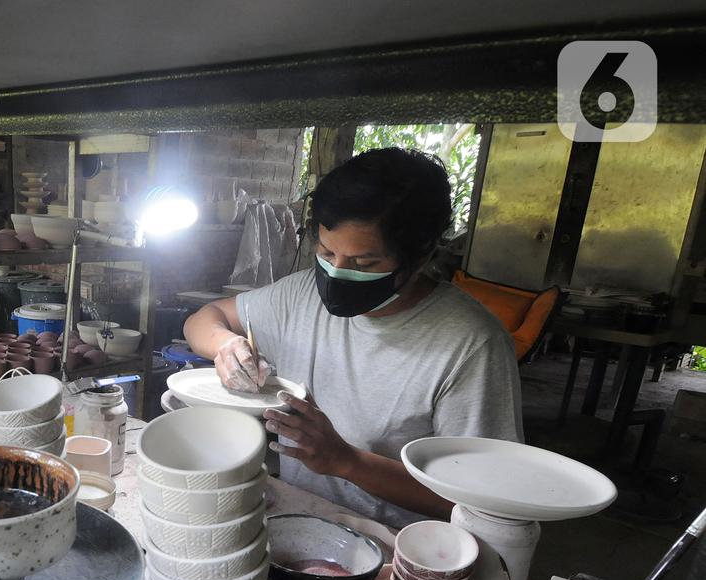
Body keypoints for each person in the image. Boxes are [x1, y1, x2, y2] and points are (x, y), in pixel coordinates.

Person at [183, 148, 522, 529]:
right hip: (303, 517)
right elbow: (203, 319)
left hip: (405, 548)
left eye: (364, 264)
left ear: (421, 256)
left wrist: (346, 461)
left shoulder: (471, 346)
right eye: (327, 252)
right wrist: (225, 345)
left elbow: (489, 504)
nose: (337, 273)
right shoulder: (300, 296)